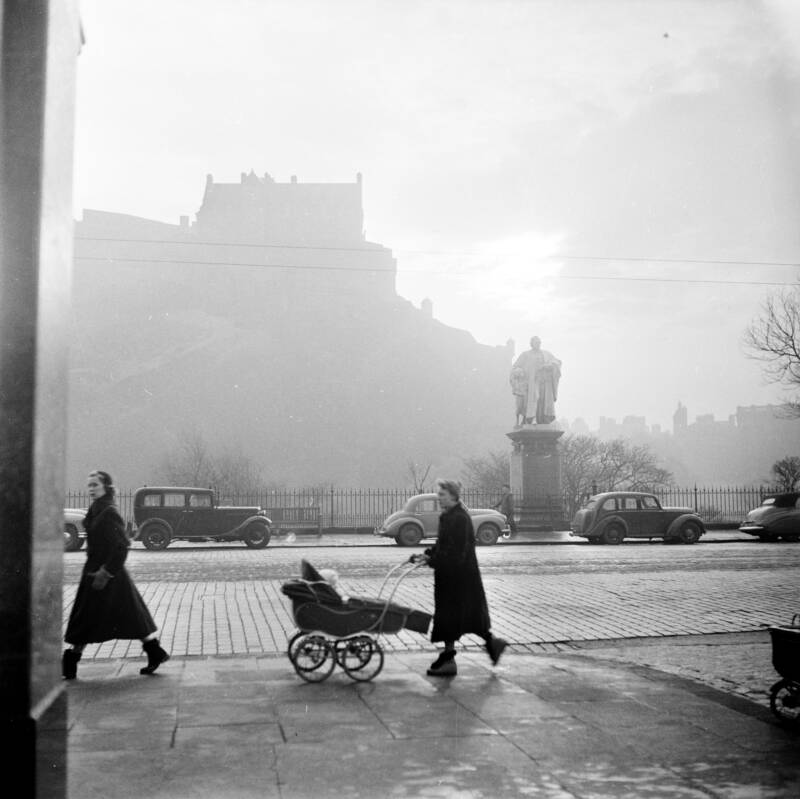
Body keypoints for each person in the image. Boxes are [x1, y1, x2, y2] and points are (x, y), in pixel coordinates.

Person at [62, 469, 170, 679]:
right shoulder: (97, 508)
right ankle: (155, 653)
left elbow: (122, 546)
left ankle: (69, 664)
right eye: (90, 485)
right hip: (97, 571)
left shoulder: (109, 511)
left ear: (106, 487)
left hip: (108, 574)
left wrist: (106, 572)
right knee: (101, 616)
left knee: (106, 617)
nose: (91, 488)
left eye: (95, 484)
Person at [412, 479, 507, 677]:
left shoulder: (460, 519)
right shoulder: (449, 516)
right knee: (461, 617)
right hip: (452, 576)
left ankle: (452, 658)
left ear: (453, 496)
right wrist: (428, 554)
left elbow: (457, 552)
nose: (439, 498)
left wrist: (433, 560)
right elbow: (444, 544)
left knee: (455, 617)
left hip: (459, 579)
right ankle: (481, 647)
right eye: (439, 495)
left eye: (442, 495)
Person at [511, 336, 562, 425]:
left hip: (545, 382)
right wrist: (519, 371)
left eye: (539, 342)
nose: (538, 344)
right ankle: (532, 418)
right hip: (532, 382)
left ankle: (543, 419)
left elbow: (557, 362)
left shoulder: (546, 354)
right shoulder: (525, 355)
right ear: (531, 344)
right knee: (535, 398)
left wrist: (550, 365)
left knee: (543, 400)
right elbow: (515, 367)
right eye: (536, 342)